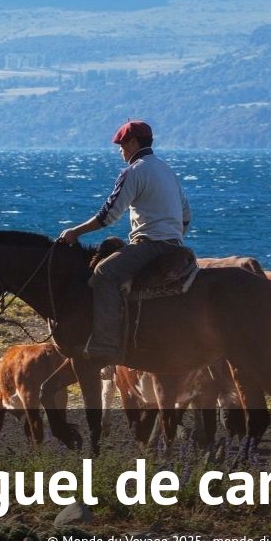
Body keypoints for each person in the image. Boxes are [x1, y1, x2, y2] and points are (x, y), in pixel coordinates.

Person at [57, 120, 191, 361]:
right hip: (175, 244)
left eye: (121, 144)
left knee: (103, 274)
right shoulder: (166, 170)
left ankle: (105, 345)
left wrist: (75, 232)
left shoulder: (134, 171)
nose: (120, 150)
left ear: (133, 142)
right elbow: (186, 216)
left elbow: (109, 215)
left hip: (150, 245)